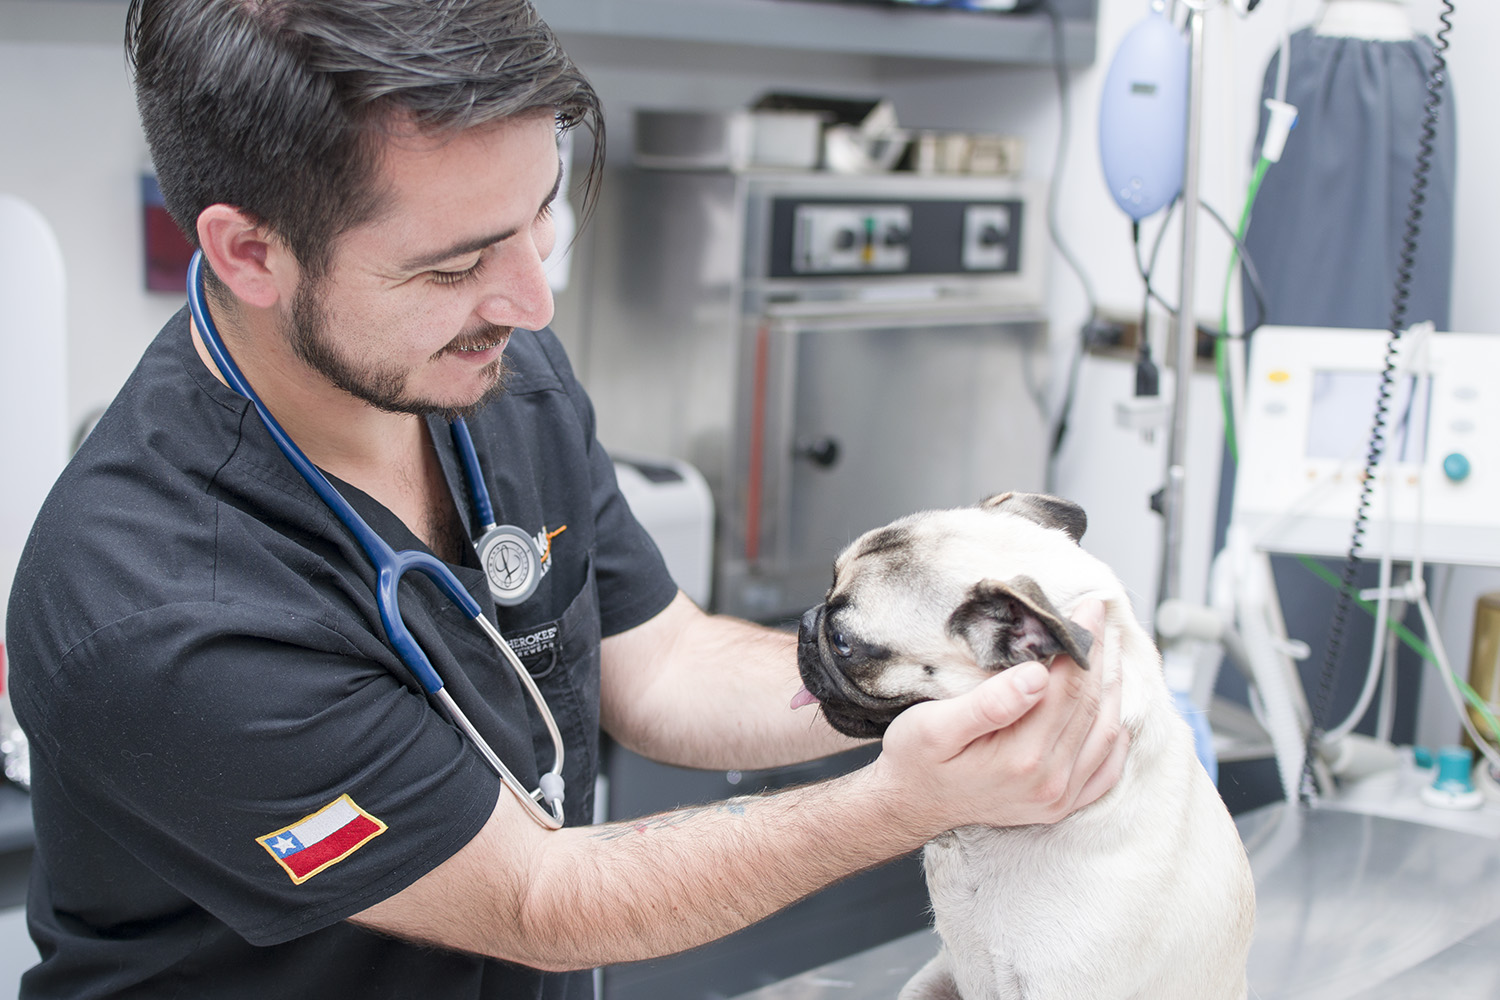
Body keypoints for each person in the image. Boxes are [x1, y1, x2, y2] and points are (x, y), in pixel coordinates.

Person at [3, 1, 1127, 997]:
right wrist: (903, 801)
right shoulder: (153, 608)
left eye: (540, 212)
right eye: (454, 265)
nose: (530, 301)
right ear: (251, 252)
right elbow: (538, 898)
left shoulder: (492, 372)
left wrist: (922, 672)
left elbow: (664, 662)